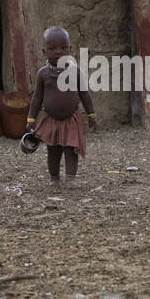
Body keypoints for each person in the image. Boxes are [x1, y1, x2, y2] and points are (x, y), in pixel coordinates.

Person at [26, 27, 97, 184]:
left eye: (63, 47)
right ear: (44, 51)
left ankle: (71, 178)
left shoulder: (76, 72)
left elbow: (85, 95)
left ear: (70, 49)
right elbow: (37, 97)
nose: (58, 52)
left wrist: (92, 115)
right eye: (52, 48)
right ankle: (54, 177)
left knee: (71, 149)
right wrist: (31, 119)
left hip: (71, 119)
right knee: (53, 150)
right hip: (51, 119)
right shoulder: (43, 74)